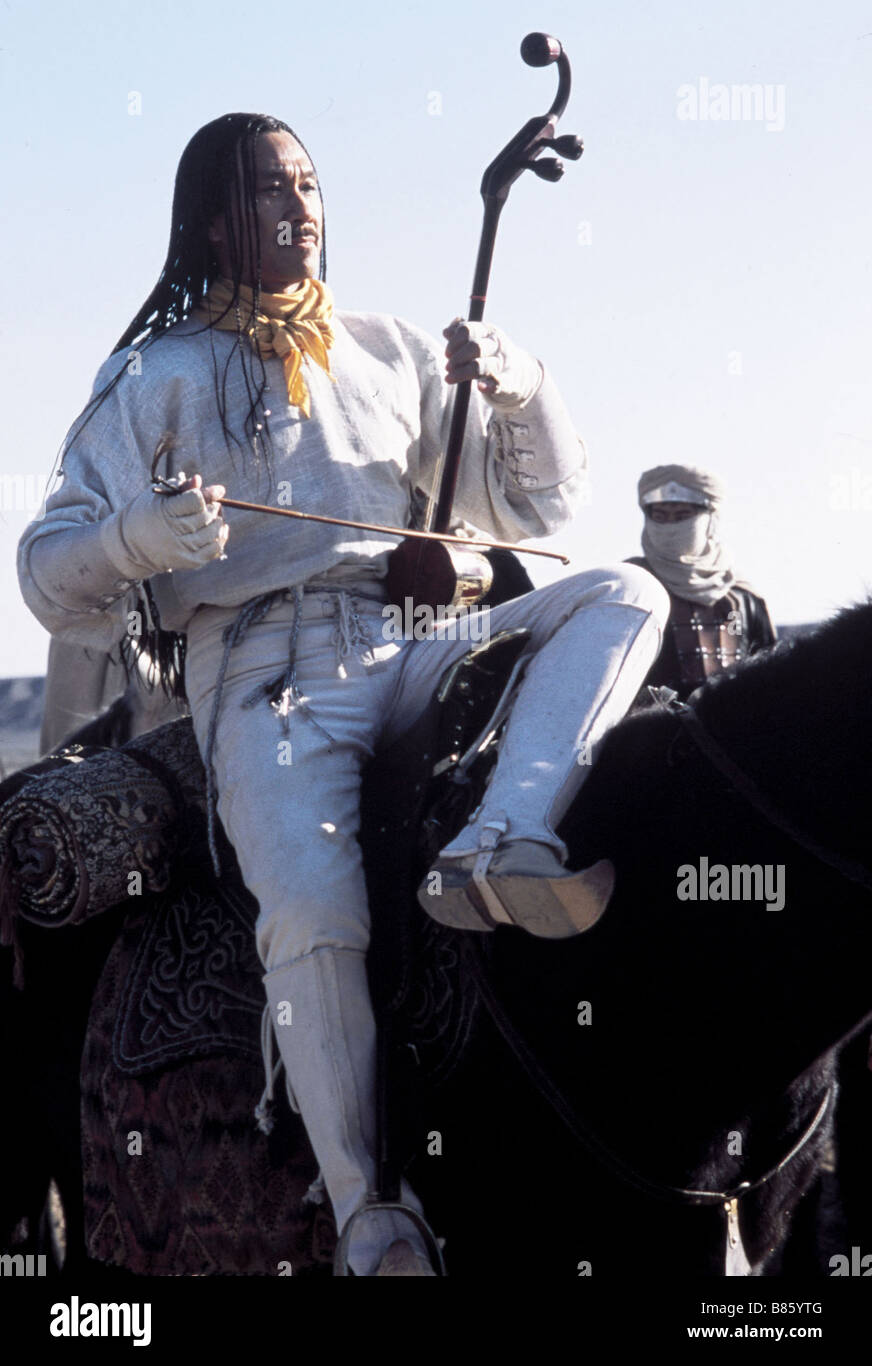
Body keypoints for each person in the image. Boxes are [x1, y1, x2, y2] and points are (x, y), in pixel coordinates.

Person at [17, 113, 668, 1275]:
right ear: (214, 219)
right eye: (270, 188)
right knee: (313, 914)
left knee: (620, 593)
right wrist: (141, 533)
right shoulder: (152, 376)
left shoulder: (389, 349)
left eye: (310, 183)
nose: (299, 205)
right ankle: (371, 1210)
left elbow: (537, 512)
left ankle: (500, 840)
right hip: (262, 681)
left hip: (417, 639)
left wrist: (520, 390)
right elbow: (46, 571)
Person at [628, 464, 776, 701]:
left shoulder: (742, 596)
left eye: (683, 516)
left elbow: (767, 673)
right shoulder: (631, 586)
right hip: (649, 732)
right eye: (660, 516)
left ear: (709, 519)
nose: (671, 526)